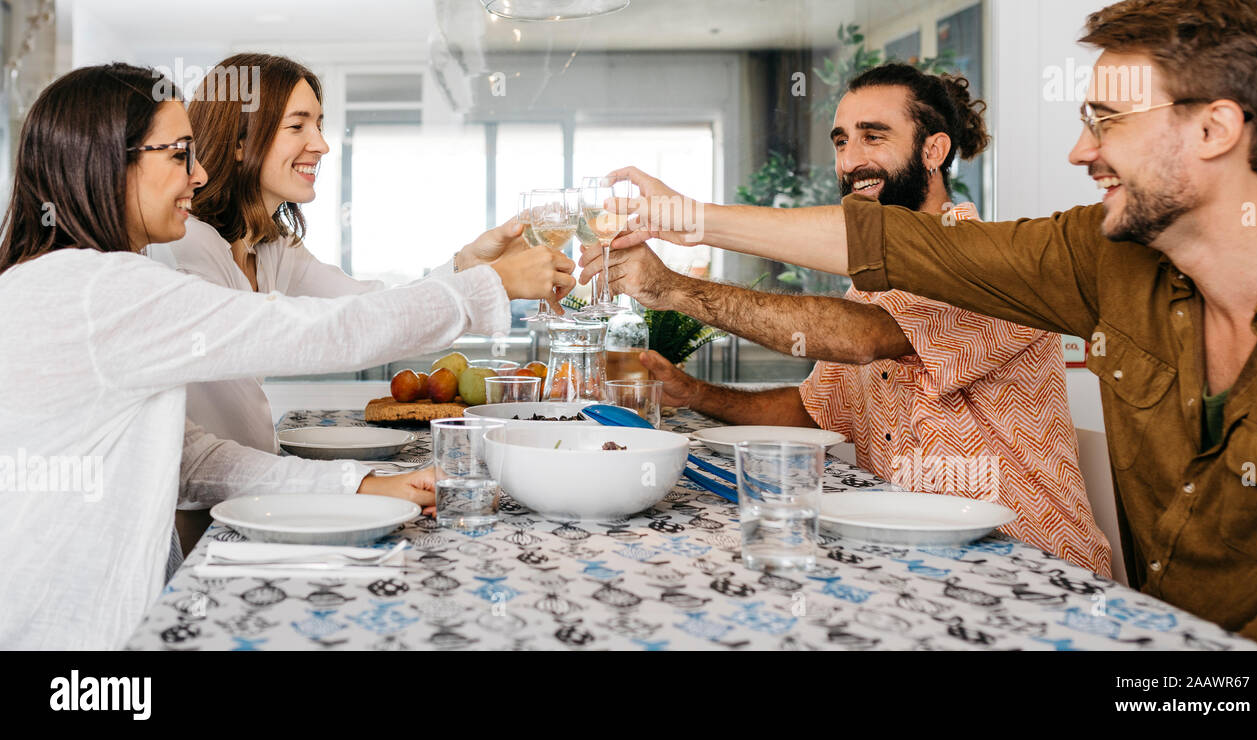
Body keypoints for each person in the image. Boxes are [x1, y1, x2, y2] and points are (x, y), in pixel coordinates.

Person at [602, 0, 1257, 649]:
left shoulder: (1038, 268)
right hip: (1042, 606)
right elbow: (874, 259)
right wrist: (684, 232)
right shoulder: (1104, 259)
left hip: (1036, 584)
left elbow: (871, 337)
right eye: (841, 140)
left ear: (1215, 128)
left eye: (1107, 121)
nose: (1081, 151)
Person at [0, 63, 574, 650]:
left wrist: (366, 484)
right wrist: (491, 286)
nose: (197, 175)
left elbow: (192, 462)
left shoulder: (74, 283)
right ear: (106, 161)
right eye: (178, 155)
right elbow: (322, 333)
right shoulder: (105, 292)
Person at [581, 64, 1110, 575]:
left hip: (1021, 558)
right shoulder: (871, 281)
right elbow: (815, 412)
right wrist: (694, 393)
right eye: (840, 141)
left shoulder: (991, 263)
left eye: (873, 137)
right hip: (905, 546)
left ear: (935, 149)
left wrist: (672, 288)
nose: (850, 160)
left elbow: (864, 338)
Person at [157, 54, 529, 550]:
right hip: (200, 509)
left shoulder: (271, 246)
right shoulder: (186, 248)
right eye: (298, 125)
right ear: (241, 142)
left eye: (320, 124)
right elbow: (337, 330)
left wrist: (468, 264)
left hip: (261, 491)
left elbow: (368, 306)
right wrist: (491, 285)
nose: (322, 144)